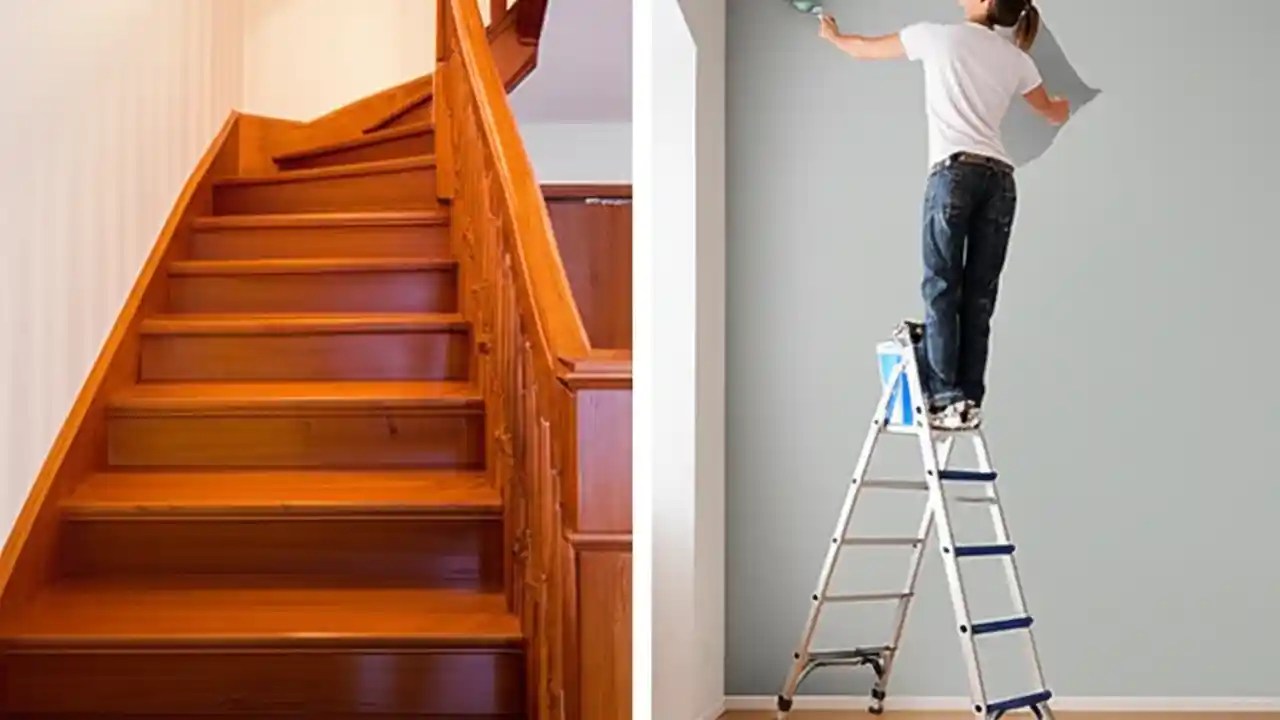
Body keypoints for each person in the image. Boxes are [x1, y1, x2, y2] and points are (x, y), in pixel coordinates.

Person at [818, 0, 1070, 430]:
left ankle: (943, 397)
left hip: (954, 173)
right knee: (978, 297)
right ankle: (967, 399)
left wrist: (833, 35)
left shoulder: (935, 36)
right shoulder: (1016, 59)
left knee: (942, 287)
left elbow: (861, 48)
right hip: (1000, 182)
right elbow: (1051, 111)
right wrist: (1062, 106)